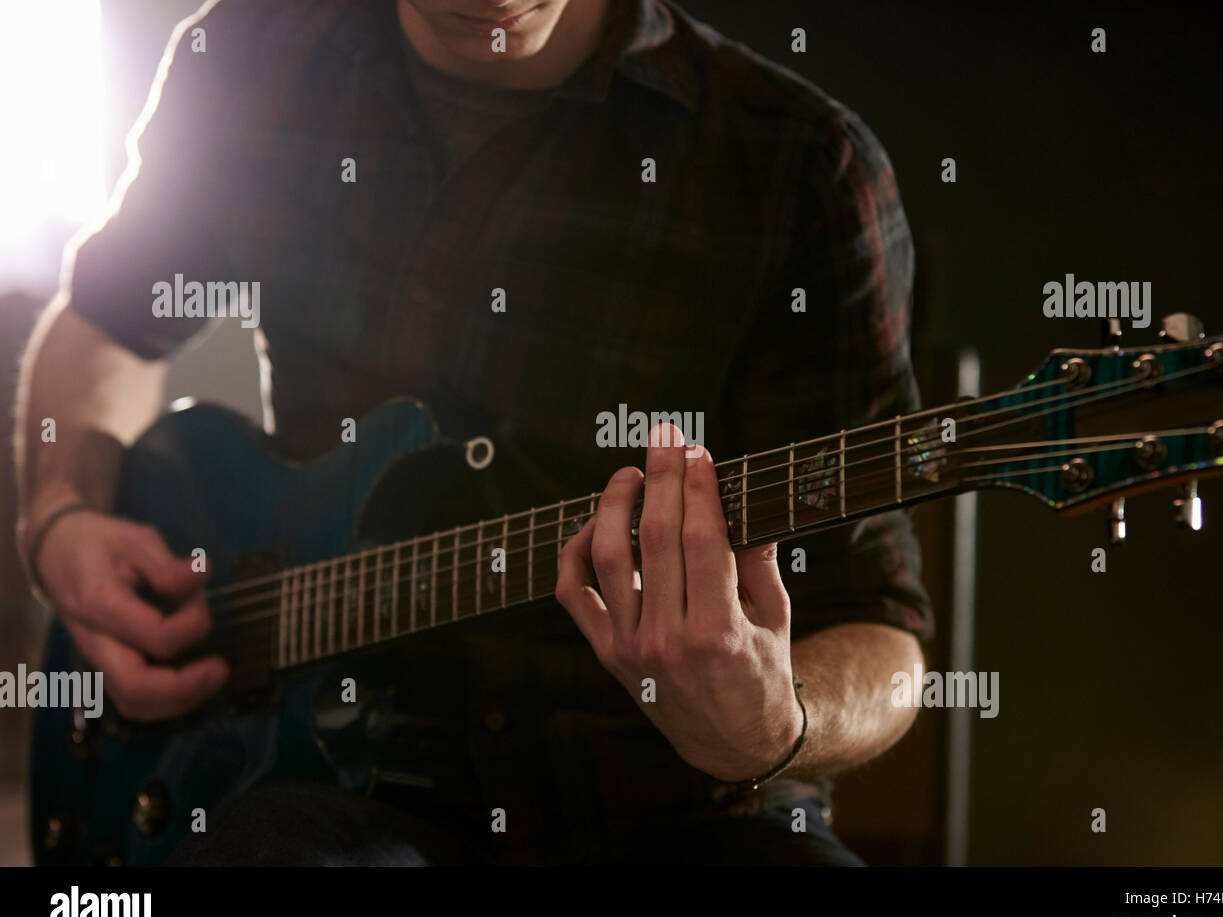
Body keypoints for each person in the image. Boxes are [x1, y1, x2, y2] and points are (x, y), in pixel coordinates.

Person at [15, 0, 933, 865]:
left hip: (684, 810)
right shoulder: (256, 53)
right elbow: (102, 325)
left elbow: (882, 628)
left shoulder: (800, 164)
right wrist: (59, 512)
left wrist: (778, 726)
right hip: (330, 781)